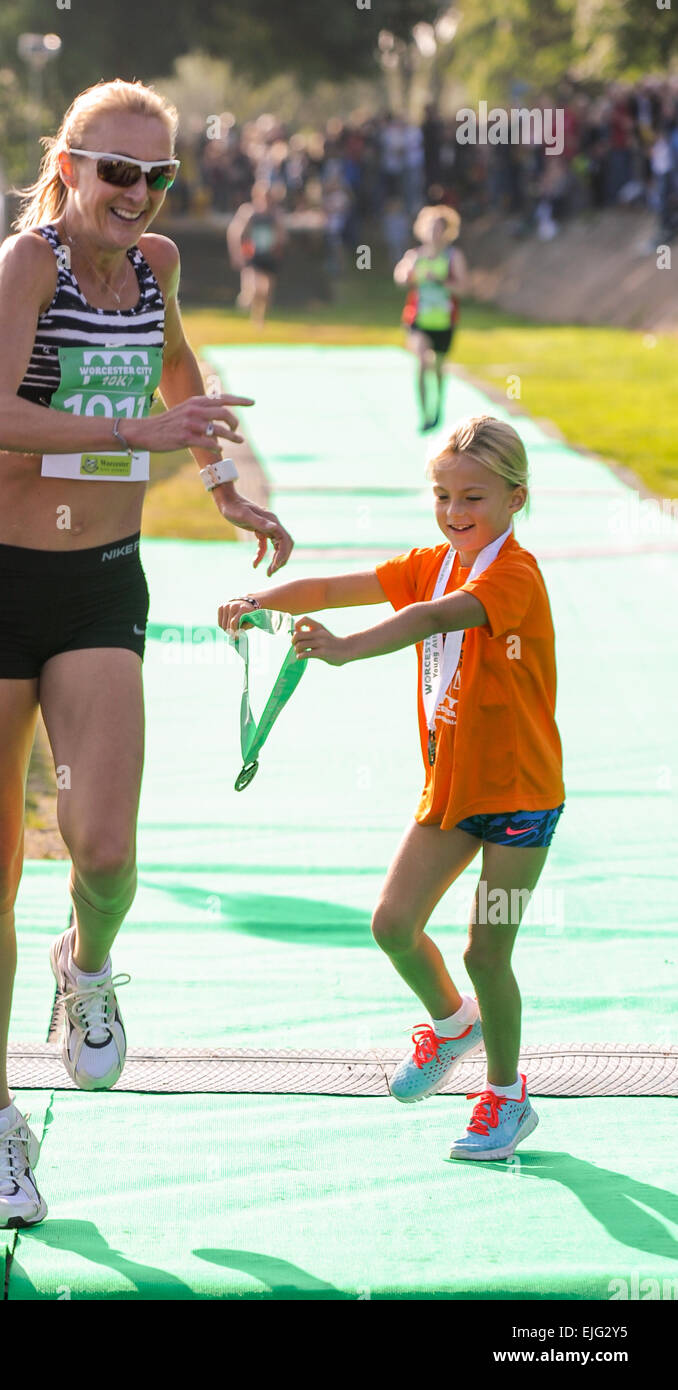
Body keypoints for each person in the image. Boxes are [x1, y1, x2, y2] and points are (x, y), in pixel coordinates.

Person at [0, 78, 294, 1229]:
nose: (137, 194)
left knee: (104, 849)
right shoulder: (26, 264)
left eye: (158, 176)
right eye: (117, 171)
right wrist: (127, 430)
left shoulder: (157, 269)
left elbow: (179, 370)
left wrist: (222, 480)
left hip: (100, 584)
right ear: (70, 164)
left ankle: (83, 964)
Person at [218, 416, 564, 1162]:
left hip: (520, 800)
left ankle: (506, 1097)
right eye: (442, 495)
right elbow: (344, 585)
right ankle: (451, 1027)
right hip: (453, 793)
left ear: (516, 498)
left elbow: (433, 619)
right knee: (392, 924)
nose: (455, 511)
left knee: (484, 954)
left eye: (473, 496)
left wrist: (344, 651)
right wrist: (262, 601)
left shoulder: (512, 574)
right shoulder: (434, 560)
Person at [394, 204, 467, 434]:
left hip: (444, 321)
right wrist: (408, 275)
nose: (434, 233)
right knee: (422, 361)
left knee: (437, 367)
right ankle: (425, 414)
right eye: (431, 228)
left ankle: (437, 408)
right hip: (419, 319)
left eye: (439, 229)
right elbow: (400, 276)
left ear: (446, 232)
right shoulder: (415, 256)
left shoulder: (453, 257)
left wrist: (441, 281)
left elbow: (464, 288)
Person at [227, 180, 286, 328]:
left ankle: (259, 320)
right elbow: (235, 233)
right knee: (254, 288)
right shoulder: (248, 212)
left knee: (266, 291)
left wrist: (279, 247)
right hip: (252, 254)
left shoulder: (275, 214)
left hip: (268, 255)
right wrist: (236, 254)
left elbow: (281, 234)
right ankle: (246, 298)